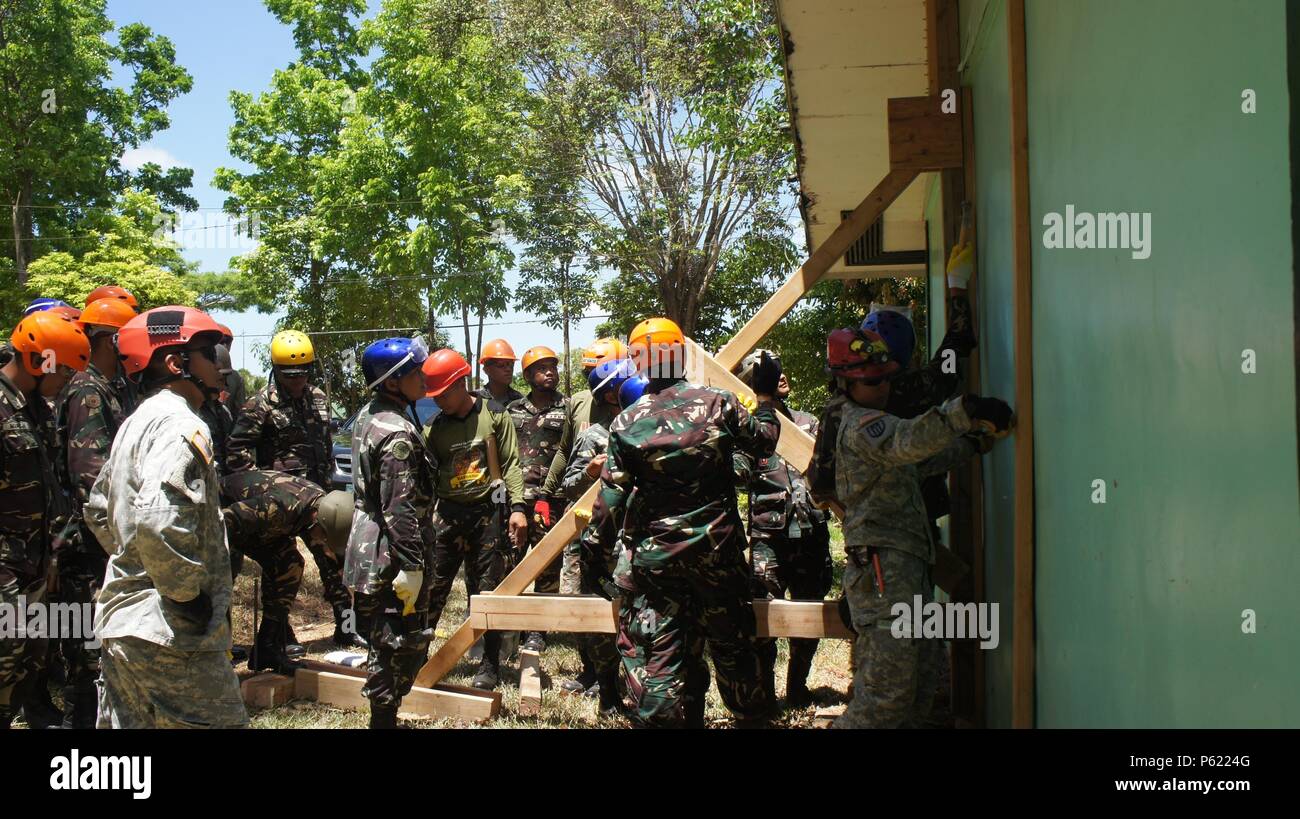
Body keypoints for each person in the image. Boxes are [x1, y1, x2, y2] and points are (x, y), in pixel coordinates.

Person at [589, 317, 781, 728]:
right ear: (679, 354)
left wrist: (596, 553)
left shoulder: (625, 423)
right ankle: (752, 719)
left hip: (659, 563)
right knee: (733, 647)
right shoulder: (719, 402)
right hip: (719, 556)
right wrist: (765, 403)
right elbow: (763, 442)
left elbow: (610, 502)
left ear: (638, 362)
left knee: (662, 651)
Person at [826, 325, 1012, 729]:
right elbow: (907, 441)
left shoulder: (879, 422)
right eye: (871, 381)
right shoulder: (861, 425)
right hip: (883, 572)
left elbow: (919, 461)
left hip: (906, 568)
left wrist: (973, 444)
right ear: (844, 384)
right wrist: (966, 411)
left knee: (917, 687)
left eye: (886, 377)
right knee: (884, 701)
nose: (882, 388)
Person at [84, 306, 248, 728]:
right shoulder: (181, 424)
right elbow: (158, 519)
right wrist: (184, 593)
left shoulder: (135, 423)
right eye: (209, 353)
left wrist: (138, 564)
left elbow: (99, 509)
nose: (219, 364)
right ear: (177, 363)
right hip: (170, 633)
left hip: (123, 624)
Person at [225, 330, 364, 650]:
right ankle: (280, 637)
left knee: (335, 562)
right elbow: (237, 455)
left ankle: (346, 626)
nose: (299, 379)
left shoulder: (318, 398)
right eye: (291, 374)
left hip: (317, 499)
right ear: (277, 370)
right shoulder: (259, 405)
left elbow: (325, 445)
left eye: (304, 372)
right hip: (281, 504)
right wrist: (264, 490)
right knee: (284, 566)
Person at [0, 311, 89, 729]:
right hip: (5, 567)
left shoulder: (34, 408)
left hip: (32, 564)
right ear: (43, 362)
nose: (69, 380)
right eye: (66, 369)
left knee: (21, 669)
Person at [341, 337, 436, 729]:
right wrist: (412, 566)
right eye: (416, 373)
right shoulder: (396, 432)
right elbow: (400, 508)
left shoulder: (370, 414)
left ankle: (384, 716)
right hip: (390, 551)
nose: (424, 378)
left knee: (385, 636)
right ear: (394, 381)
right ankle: (383, 719)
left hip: (369, 544)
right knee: (399, 641)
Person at [51, 296, 137, 727]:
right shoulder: (88, 390)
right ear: (111, 340)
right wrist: (125, 543)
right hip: (86, 544)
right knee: (86, 649)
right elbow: (93, 481)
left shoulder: (108, 387)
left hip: (96, 542)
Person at [732, 349, 833, 708]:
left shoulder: (809, 422)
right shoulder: (747, 431)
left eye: (780, 369)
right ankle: (764, 692)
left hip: (811, 534)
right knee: (763, 616)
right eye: (768, 373)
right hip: (768, 539)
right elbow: (738, 473)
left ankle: (797, 686)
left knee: (811, 613)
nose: (781, 376)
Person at [423, 349, 527, 691]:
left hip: (487, 516)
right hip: (449, 517)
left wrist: (517, 507)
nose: (438, 402)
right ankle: (417, 656)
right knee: (433, 588)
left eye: (442, 394)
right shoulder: (433, 430)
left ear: (460, 383)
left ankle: (489, 664)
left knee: (487, 591)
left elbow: (511, 463)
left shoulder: (494, 416)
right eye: (433, 396)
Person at [556, 358, 637, 710]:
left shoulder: (642, 428)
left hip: (633, 543)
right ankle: (606, 688)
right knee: (599, 615)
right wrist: (590, 471)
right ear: (611, 396)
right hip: (599, 547)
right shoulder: (593, 436)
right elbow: (568, 486)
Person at [506, 345, 575, 652]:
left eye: (553, 367)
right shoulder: (513, 410)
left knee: (547, 565)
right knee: (513, 562)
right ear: (528, 375)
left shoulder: (569, 408)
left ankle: (538, 630)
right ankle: (512, 625)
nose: (550, 372)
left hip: (553, 500)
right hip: (518, 500)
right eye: (542, 368)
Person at [569, 338, 628, 436]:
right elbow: (564, 449)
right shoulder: (578, 401)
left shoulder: (641, 403)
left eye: (601, 376)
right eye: (589, 374)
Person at [475, 338, 524, 406]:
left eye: (511, 364)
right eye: (501, 365)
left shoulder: (520, 401)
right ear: (486, 370)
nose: (508, 369)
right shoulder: (475, 400)